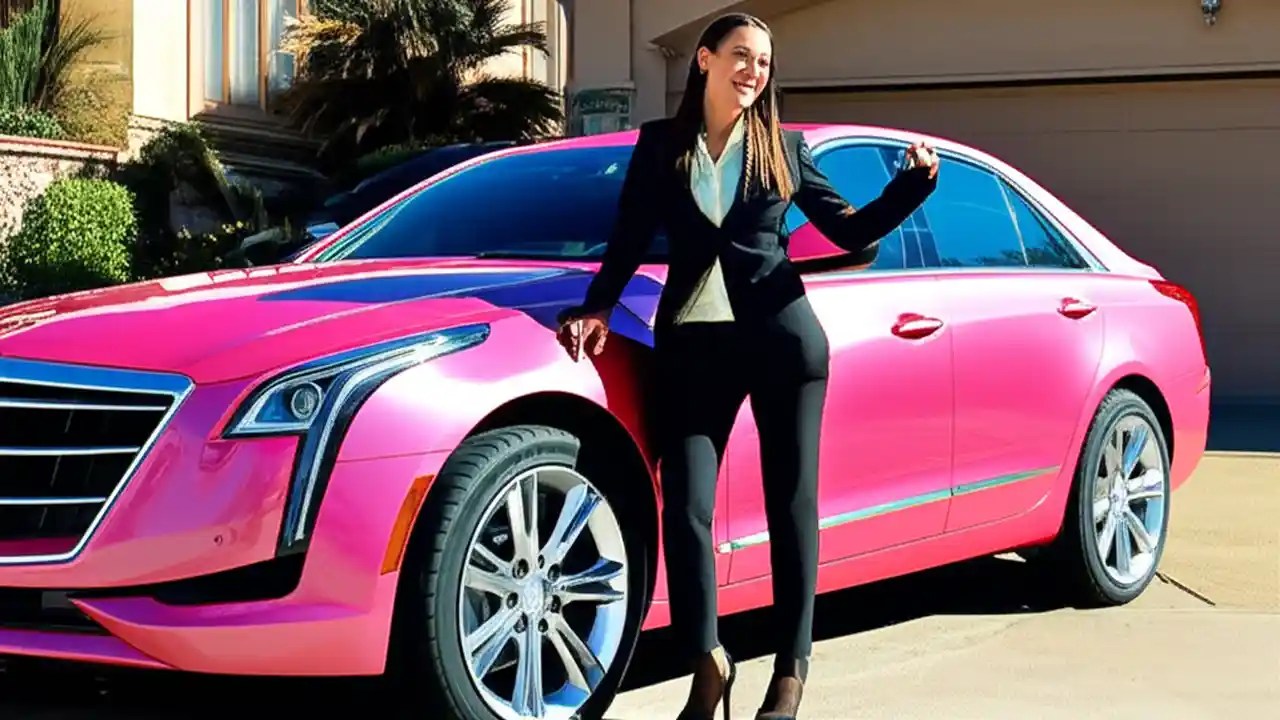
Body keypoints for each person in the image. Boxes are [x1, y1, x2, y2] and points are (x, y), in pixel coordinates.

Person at [556, 12, 939, 720]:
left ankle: (790, 674)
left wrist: (911, 188)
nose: (753, 71)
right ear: (703, 60)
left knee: (791, 507)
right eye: (740, 55)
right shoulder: (660, 146)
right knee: (688, 509)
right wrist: (597, 307)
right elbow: (630, 235)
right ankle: (707, 662)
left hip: (782, 343)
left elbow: (848, 229)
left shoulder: (782, 149)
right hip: (694, 348)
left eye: (763, 62)